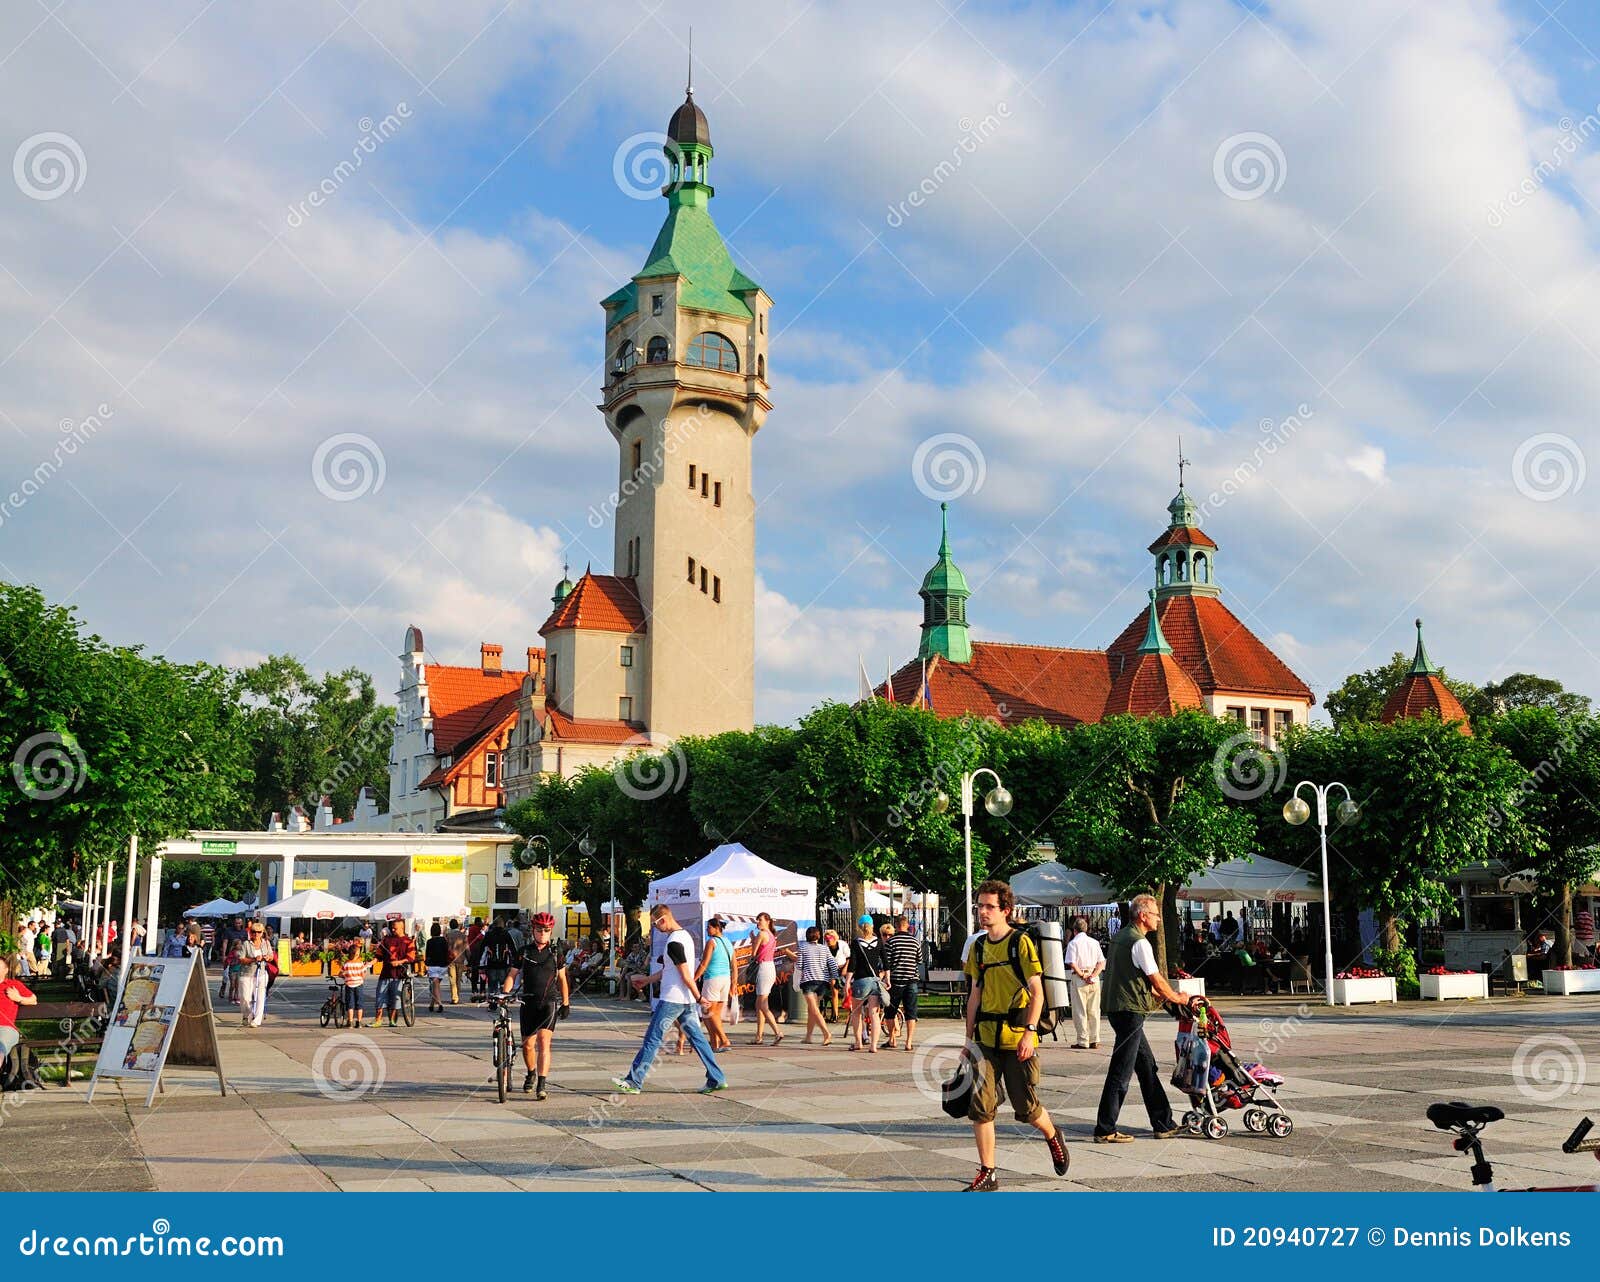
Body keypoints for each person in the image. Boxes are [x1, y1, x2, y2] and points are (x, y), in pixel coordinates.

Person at [961, 880, 1070, 1192]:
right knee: (980, 1107)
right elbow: (974, 996)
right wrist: (968, 1041)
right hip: (985, 1038)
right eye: (979, 906)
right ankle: (988, 1172)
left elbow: (1037, 993)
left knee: (1025, 1109)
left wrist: (1029, 1032)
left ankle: (1052, 1135)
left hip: (1017, 1037)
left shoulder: (1019, 943)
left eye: (989, 906)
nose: (982, 911)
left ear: (1005, 910)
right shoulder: (978, 947)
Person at [1094, 892, 1198, 1143]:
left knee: (1147, 1067)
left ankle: (1162, 1122)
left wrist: (1162, 996)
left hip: (1120, 1009)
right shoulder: (1140, 943)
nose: (1159, 919)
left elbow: (1134, 978)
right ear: (1142, 915)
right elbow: (1156, 980)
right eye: (1155, 914)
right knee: (1121, 1071)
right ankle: (1105, 1129)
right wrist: (1177, 998)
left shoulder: (1121, 937)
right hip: (1129, 1012)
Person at [611, 905, 727, 1096]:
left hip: (673, 999)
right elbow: (670, 971)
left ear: (663, 920)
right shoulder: (686, 937)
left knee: (652, 1039)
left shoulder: (674, 942)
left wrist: (699, 997)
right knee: (698, 1039)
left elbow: (684, 975)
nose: (655, 929)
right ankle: (717, 1078)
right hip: (685, 1000)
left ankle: (633, 1081)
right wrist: (647, 980)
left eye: (656, 925)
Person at [504, 912, 569, 1099]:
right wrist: (505, 994)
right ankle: (531, 1072)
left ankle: (542, 1083)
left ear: (550, 932)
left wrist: (565, 1002)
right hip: (528, 1002)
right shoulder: (524, 951)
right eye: (539, 929)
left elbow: (563, 979)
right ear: (533, 930)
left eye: (546, 930)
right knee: (528, 1046)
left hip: (548, 1003)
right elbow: (512, 975)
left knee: (543, 1042)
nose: (543, 933)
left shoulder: (556, 953)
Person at [684, 917, 734, 1053]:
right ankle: (714, 1043)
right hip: (726, 979)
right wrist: (734, 983)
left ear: (716, 928)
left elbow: (704, 964)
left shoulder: (711, 942)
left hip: (713, 979)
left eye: (709, 927)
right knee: (711, 1014)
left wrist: (693, 978)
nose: (707, 930)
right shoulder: (728, 942)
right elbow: (734, 965)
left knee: (710, 1013)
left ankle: (724, 1040)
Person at [845, 916, 888, 1053]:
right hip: (874, 981)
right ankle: (873, 1045)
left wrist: (847, 982)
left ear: (859, 927)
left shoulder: (856, 943)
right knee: (874, 1014)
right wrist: (888, 979)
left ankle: (858, 1042)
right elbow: (886, 963)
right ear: (872, 926)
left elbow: (852, 964)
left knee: (857, 1014)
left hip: (860, 981)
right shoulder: (879, 942)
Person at [748, 911, 792, 1047]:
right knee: (759, 1004)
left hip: (764, 968)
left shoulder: (762, 934)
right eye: (757, 920)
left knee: (762, 1004)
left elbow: (754, 953)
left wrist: (753, 939)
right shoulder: (772, 935)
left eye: (760, 920)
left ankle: (777, 1032)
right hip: (770, 967)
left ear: (767, 921)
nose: (758, 922)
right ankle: (758, 1036)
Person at [881, 915, 923, 1052]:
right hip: (911, 980)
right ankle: (909, 1042)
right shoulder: (915, 941)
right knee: (911, 1012)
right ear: (907, 925)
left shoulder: (891, 942)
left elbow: (886, 962)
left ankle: (892, 1038)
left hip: (895, 981)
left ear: (896, 925)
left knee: (890, 1011)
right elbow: (920, 960)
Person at [1066, 916, 1106, 1049]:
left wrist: (1082, 975)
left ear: (1074, 930)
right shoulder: (1094, 942)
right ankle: (1095, 1039)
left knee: (1080, 1010)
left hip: (1080, 977)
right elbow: (1101, 962)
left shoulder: (1073, 943)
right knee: (1094, 1010)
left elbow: (1072, 962)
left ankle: (1083, 1040)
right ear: (1086, 929)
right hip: (1093, 977)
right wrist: (1093, 975)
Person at [794, 926, 839, 1045]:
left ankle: (826, 1033)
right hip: (822, 982)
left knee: (814, 1009)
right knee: (812, 1010)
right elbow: (833, 964)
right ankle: (808, 1036)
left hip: (808, 981)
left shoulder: (803, 947)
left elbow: (799, 966)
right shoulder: (824, 948)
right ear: (818, 936)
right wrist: (835, 977)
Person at [0, 956, 39, 1087]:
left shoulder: (13, 985)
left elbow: (33, 1000)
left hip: (5, 1029)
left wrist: (18, 998)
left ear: (6, 970)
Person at [374, 920, 417, 1029]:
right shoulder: (386, 940)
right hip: (385, 972)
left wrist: (399, 962)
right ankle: (378, 1020)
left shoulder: (408, 941)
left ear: (402, 928)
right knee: (380, 996)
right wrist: (370, 962)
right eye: (392, 927)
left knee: (395, 999)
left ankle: (392, 1020)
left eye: (395, 928)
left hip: (399, 975)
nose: (392, 930)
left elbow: (411, 957)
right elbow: (378, 955)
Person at [236, 921, 274, 1028]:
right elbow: (241, 959)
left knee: (260, 997)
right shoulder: (246, 944)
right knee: (245, 998)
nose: (256, 934)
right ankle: (246, 1014)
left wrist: (267, 958)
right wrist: (253, 959)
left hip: (261, 973)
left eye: (258, 932)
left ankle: (256, 1020)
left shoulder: (266, 943)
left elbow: (271, 956)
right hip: (247, 973)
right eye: (253, 932)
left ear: (262, 932)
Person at [481, 918, 516, 996]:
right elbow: (512, 948)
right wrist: (515, 960)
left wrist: (481, 964)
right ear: (502, 925)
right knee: (503, 985)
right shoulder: (506, 934)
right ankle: (502, 1002)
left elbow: (483, 950)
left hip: (491, 964)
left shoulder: (489, 934)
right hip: (503, 964)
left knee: (492, 985)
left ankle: (492, 1003)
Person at [424, 923, 451, 1013]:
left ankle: (440, 1004)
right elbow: (447, 952)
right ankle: (431, 1005)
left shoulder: (429, 941)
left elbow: (427, 955)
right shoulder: (444, 940)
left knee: (435, 985)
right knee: (436, 985)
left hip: (433, 966)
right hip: (443, 966)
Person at [340, 947, 369, 1028]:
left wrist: (345, 976)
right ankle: (359, 1022)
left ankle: (350, 1022)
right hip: (359, 985)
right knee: (359, 1003)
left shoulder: (346, 963)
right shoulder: (360, 963)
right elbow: (363, 975)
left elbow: (341, 973)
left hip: (349, 985)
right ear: (357, 954)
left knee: (350, 1004)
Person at [824, 929, 848, 1021]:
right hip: (832, 970)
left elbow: (849, 957)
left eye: (829, 939)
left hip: (843, 968)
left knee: (846, 989)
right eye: (826, 940)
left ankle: (848, 1011)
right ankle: (835, 1014)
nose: (828, 941)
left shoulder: (842, 945)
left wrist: (845, 968)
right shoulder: (825, 947)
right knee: (834, 988)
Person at [445, 918, 467, 1005]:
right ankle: (457, 995)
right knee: (458, 979)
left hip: (451, 960)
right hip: (461, 960)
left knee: (452, 979)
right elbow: (467, 948)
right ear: (457, 925)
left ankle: (454, 998)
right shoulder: (463, 936)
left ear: (450, 926)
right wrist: (469, 959)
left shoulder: (448, 935)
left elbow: (445, 948)